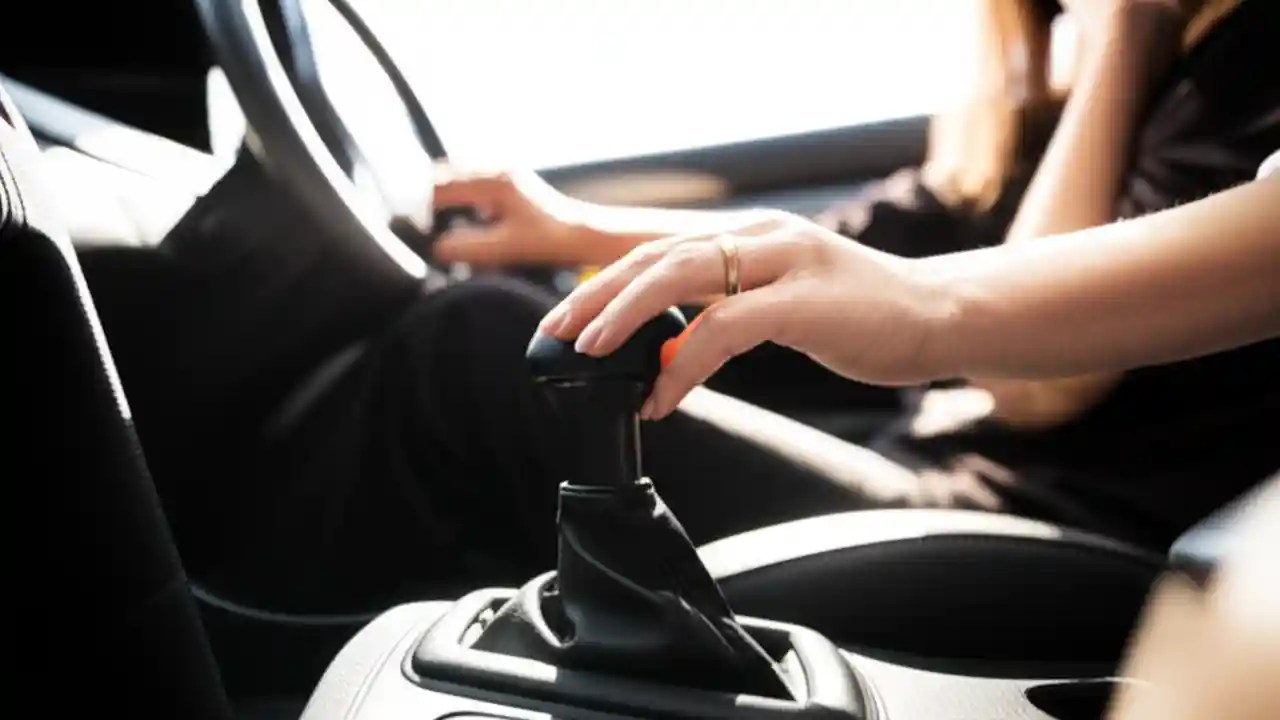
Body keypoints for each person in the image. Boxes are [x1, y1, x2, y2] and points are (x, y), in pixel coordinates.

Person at [84, 0, 1276, 613]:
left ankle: (231, 638)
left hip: (1050, 551)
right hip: (937, 476)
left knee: (477, 348)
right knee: (512, 312)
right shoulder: (1090, 91)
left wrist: (1125, 27)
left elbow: (1032, 381)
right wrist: (562, 231)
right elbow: (855, 247)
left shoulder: (1226, 74)